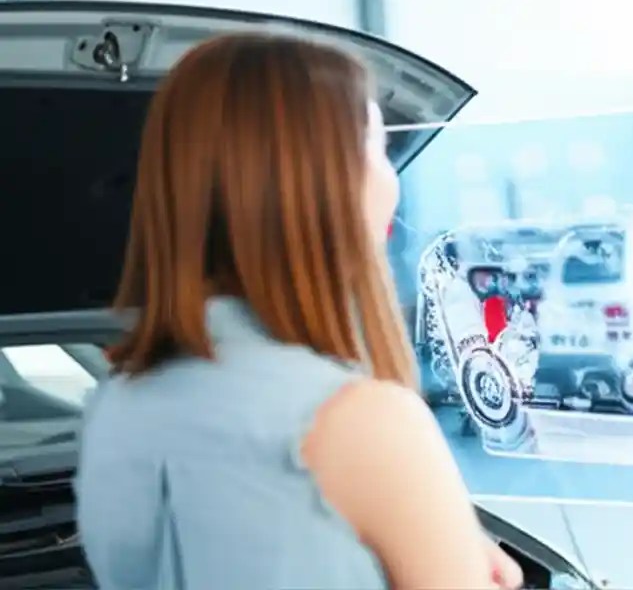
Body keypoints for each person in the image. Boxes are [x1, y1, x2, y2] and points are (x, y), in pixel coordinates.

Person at [74, 32, 523, 590]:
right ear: (322, 181)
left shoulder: (115, 408)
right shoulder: (363, 422)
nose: (390, 178)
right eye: (376, 148)